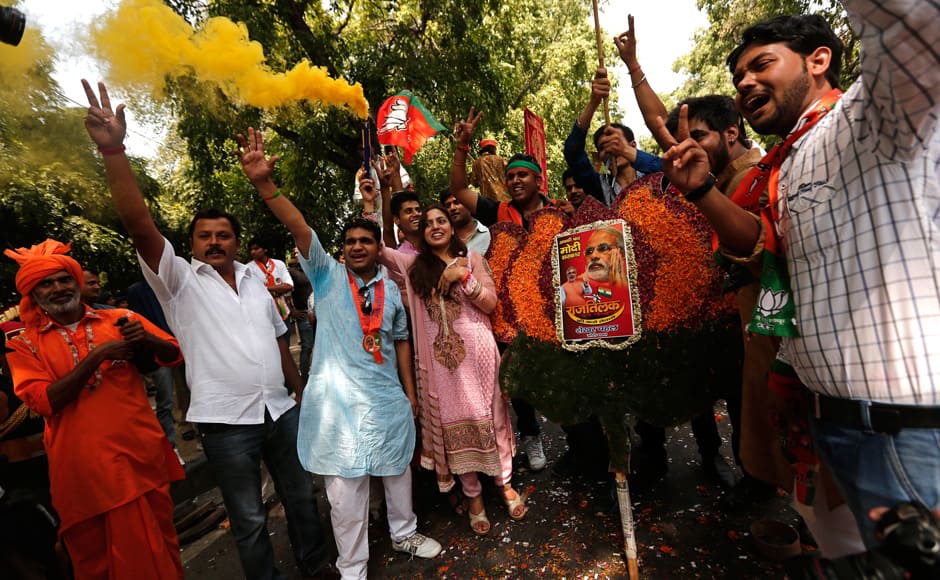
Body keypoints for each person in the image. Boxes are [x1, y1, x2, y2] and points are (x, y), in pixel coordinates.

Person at [649, 3, 940, 549]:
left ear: (819, 60)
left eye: (762, 64)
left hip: (906, 429)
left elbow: (915, 26)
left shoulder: (874, 116)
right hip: (820, 417)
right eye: (738, 76)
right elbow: (762, 251)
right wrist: (701, 191)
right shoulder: (789, 161)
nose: (745, 82)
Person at [81, 81, 332, 580]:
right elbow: (139, 225)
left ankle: (316, 567)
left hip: (279, 411)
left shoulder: (255, 280)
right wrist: (113, 150)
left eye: (224, 236)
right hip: (225, 423)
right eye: (205, 236)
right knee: (250, 519)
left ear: (238, 243)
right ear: (191, 244)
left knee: (302, 497)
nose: (215, 243)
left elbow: (278, 340)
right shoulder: (177, 281)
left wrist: (299, 390)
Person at [236, 126, 442, 579]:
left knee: (396, 469)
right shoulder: (327, 276)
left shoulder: (390, 286)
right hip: (337, 405)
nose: (357, 247)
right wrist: (264, 184)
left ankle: (404, 531)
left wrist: (409, 394)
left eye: (366, 241)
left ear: (376, 248)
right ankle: (353, 566)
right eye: (350, 242)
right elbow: (298, 225)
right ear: (341, 250)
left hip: (386, 396)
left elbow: (401, 341)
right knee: (345, 490)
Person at [615, 16, 794, 505]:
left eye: (700, 136)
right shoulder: (710, 175)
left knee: (754, 412)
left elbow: (757, 243)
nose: (686, 146)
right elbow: (663, 128)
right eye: (682, 137)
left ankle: (760, 490)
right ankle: (754, 483)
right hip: (731, 320)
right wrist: (634, 68)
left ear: (732, 132)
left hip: (772, 332)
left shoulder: (761, 175)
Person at [4, 239, 185, 579]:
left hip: (138, 459)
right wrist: (98, 356)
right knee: (96, 561)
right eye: (46, 282)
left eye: (64, 279)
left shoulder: (120, 319)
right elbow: (44, 401)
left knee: (159, 547)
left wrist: (145, 340)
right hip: (82, 472)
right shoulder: (21, 345)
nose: (58, 288)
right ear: (33, 293)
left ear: (77, 282)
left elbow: (173, 353)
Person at [368, 188, 526, 535]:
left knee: (492, 421)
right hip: (441, 366)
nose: (436, 226)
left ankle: (504, 483)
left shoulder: (472, 259)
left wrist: (464, 278)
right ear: (421, 233)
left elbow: (490, 304)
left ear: (451, 227)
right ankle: (474, 497)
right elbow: (378, 250)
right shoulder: (413, 266)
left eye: (442, 221)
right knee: (455, 432)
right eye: (428, 223)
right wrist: (373, 201)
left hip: (481, 359)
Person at [450, 108, 554, 471]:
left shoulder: (560, 212)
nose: (513, 181)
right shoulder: (498, 211)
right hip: (511, 313)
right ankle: (532, 437)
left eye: (522, 174)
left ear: (538, 181)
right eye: (510, 177)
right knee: (517, 381)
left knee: (563, 375)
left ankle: (582, 442)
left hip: (555, 313)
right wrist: (462, 147)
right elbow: (460, 190)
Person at [563, 67, 662, 207]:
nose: (611, 149)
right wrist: (594, 101)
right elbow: (572, 153)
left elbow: (673, 168)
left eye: (617, 142)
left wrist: (625, 151)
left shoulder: (655, 175)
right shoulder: (600, 187)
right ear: (601, 157)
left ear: (633, 146)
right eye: (603, 147)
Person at [127, 279, 180, 453]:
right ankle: (171, 448)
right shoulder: (137, 291)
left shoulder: (174, 283)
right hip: (159, 352)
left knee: (189, 394)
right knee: (165, 402)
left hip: (183, 347)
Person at [247, 237, 294, 323]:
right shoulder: (248, 269)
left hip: (283, 311)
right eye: (251, 249)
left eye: (256, 248)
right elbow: (253, 293)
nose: (253, 252)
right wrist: (279, 288)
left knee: (286, 335)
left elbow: (289, 285)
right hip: (264, 314)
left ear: (265, 249)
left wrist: (266, 288)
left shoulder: (279, 264)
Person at [287, 250, 316, 383]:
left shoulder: (314, 268)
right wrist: (292, 311)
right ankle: (304, 380)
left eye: (301, 251)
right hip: (304, 314)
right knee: (307, 346)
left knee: (322, 346)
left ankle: (318, 376)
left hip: (320, 313)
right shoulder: (292, 272)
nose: (299, 254)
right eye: (296, 252)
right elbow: (286, 293)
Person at [439, 190, 491, 255]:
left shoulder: (489, 234)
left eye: (457, 202)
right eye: (448, 205)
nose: (452, 208)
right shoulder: (443, 240)